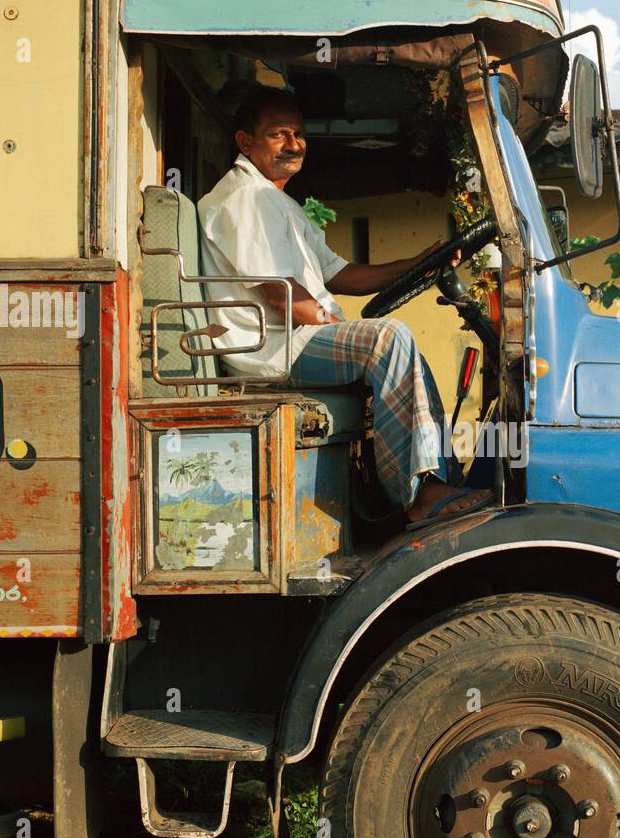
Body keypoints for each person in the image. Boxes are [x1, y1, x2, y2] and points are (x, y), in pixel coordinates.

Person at [197, 85, 492, 523]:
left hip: (297, 338)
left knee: (387, 341)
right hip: (272, 350)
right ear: (245, 141)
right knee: (387, 340)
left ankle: (437, 480)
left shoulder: (278, 201)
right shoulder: (243, 198)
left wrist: (420, 261)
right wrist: (331, 320)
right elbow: (278, 294)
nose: (293, 144)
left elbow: (343, 274)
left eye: (298, 134)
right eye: (279, 134)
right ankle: (421, 496)